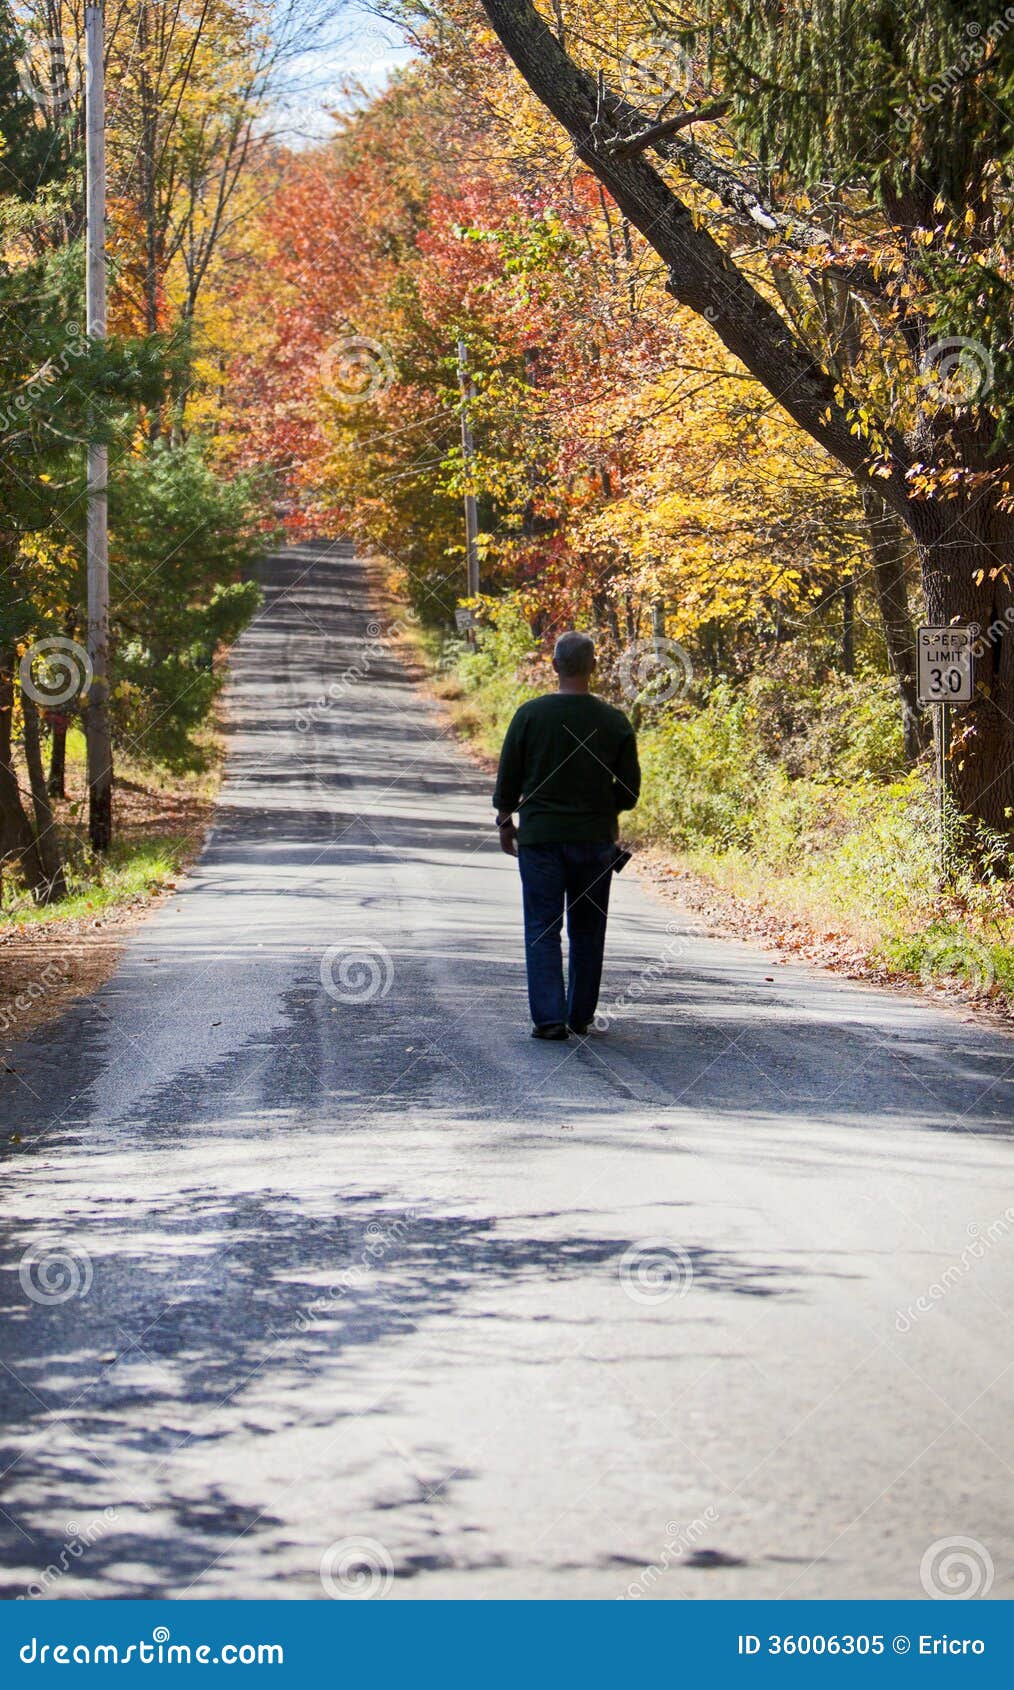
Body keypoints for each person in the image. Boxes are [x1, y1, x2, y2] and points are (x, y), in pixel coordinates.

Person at [492, 631, 641, 1040]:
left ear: (555, 665)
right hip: (594, 842)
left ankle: (549, 1019)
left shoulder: (530, 715)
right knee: (588, 929)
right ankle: (579, 1015)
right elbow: (629, 792)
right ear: (594, 666)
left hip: (540, 840)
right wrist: (601, 807)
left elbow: (508, 778)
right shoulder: (614, 721)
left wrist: (506, 823)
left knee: (542, 927)